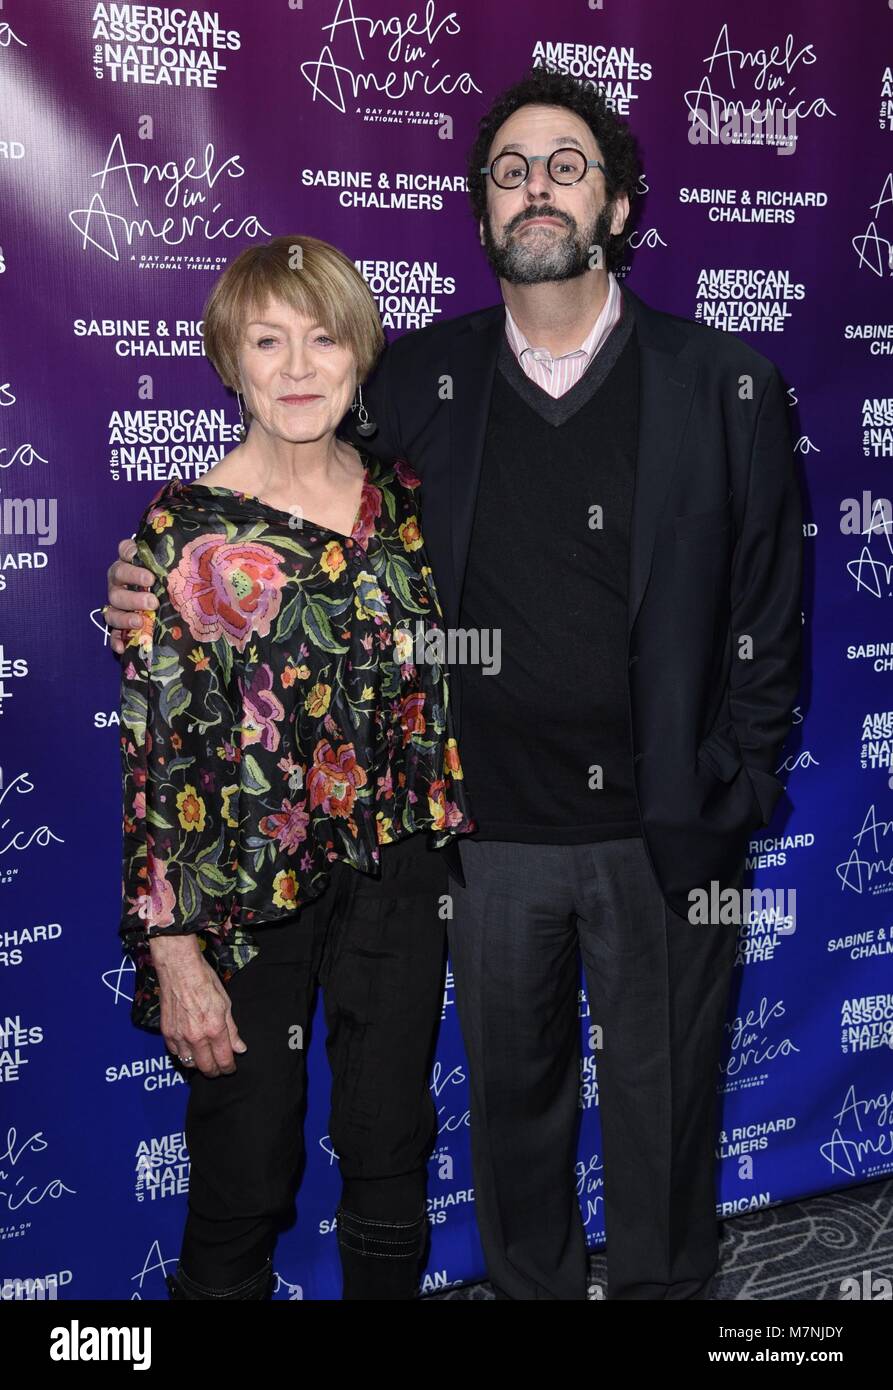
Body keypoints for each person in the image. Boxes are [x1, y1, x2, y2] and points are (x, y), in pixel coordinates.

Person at [106, 68, 804, 1301]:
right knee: (511, 1129)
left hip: (665, 838)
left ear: (620, 206)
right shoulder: (417, 385)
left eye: (566, 166)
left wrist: (733, 783)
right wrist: (154, 572)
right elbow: (289, 517)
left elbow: (767, 608)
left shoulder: (721, 385)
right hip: (480, 847)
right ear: (482, 212)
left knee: (663, 1118)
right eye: (509, 171)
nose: (536, 189)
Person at [115, 233, 475, 1300]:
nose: (299, 366)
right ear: (229, 361)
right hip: (239, 895)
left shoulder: (404, 500)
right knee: (244, 1166)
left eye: (323, 337)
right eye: (267, 341)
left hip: (397, 867)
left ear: (360, 353)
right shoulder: (183, 537)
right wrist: (174, 952)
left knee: (388, 1142)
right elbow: (154, 759)